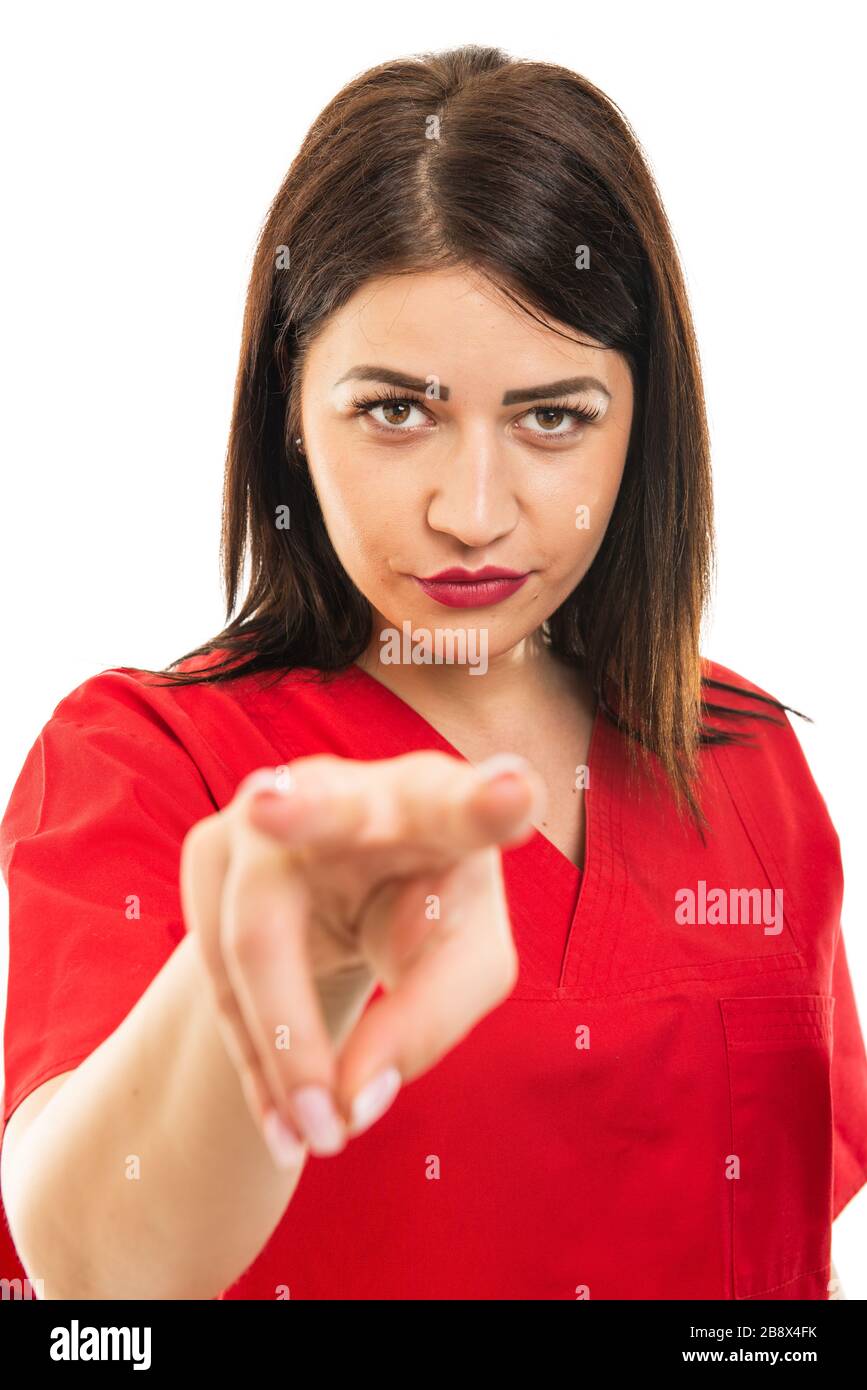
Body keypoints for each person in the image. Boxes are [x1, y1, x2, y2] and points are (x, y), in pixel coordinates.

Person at [2, 43, 866, 1301]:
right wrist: (295, 953)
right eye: (397, 410)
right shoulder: (143, 761)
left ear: (646, 425)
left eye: (553, 417)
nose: (473, 511)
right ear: (289, 411)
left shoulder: (741, 756)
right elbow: (95, 1268)